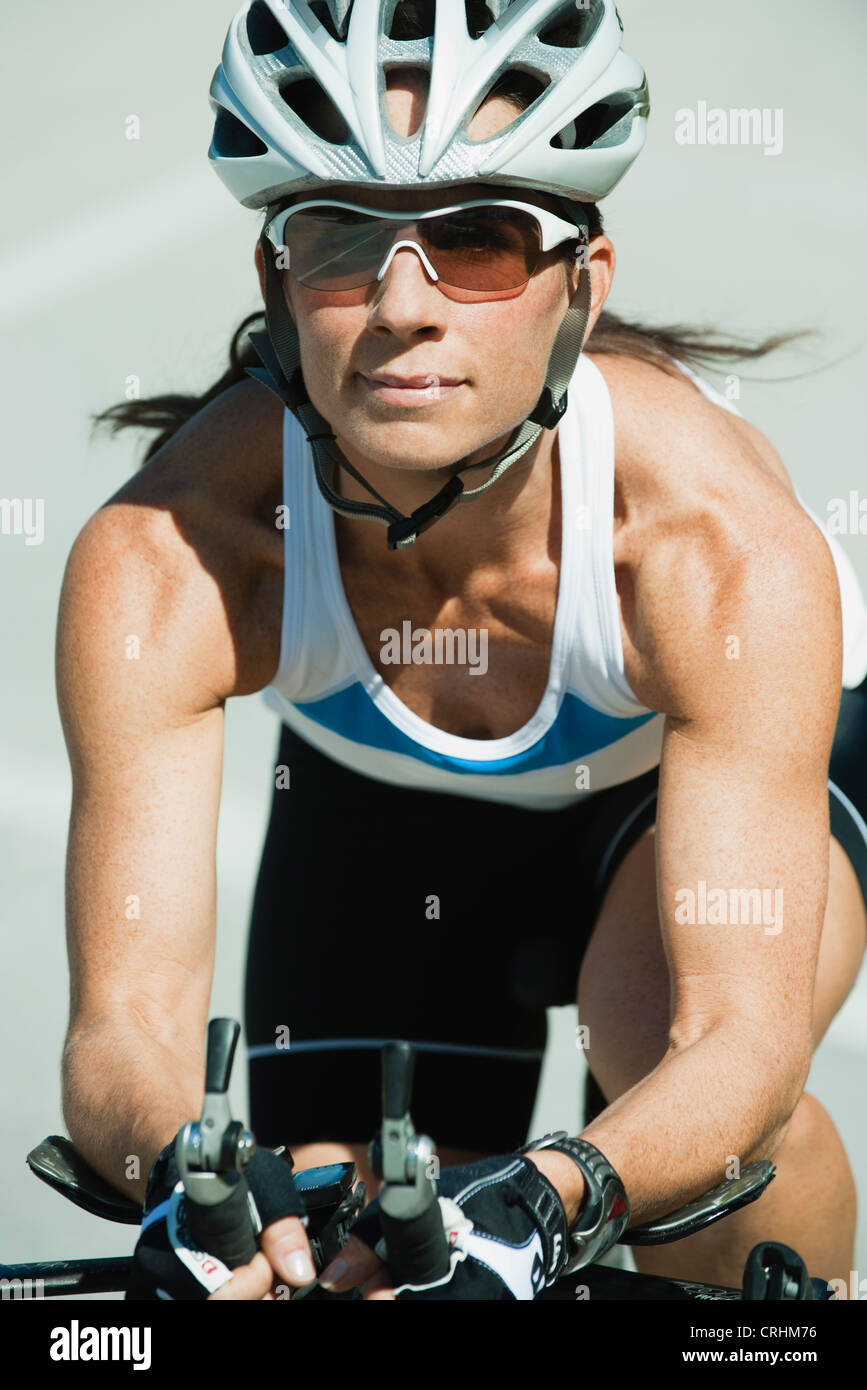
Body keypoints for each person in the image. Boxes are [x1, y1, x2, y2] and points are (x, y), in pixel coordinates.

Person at [60, 0, 867, 1301]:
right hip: (392, 814)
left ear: (580, 285)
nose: (397, 305)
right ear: (276, 281)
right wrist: (188, 1173)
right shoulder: (169, 551)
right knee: (351, 1235)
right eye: (339, 241)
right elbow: (121, 1033)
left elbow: (741, 1044)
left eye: (476, 243)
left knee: (675, 1102)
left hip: (663, 798)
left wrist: (557, 1202)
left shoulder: (719, 549)